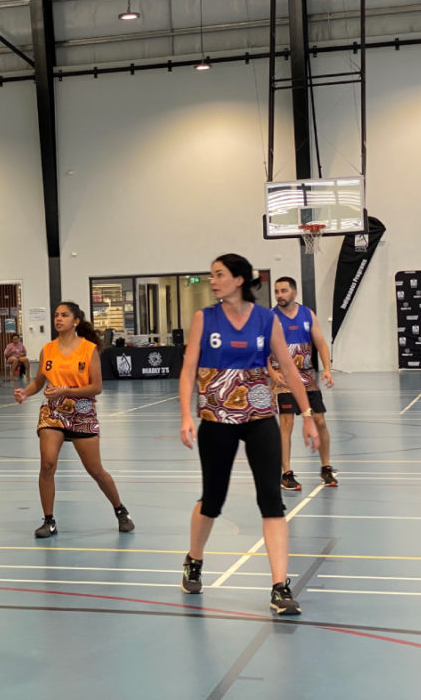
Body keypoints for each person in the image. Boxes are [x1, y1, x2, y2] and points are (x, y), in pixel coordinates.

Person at [177, 254, 319, 616]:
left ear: (239, 279)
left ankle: (279, 586)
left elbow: (287, 365)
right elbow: (189, 367)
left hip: (259, 416)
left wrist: (307, 415)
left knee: (271, 499)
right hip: (216, 418)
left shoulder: (265, 318)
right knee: (213, 500)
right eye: (212, 275)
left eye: (219, 274)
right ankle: (194, 558)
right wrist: (184, 416)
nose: (213, 280)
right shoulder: (203, 318)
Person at [14, 302, 135, 538]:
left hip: (82, 410)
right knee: (48, 465)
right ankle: (49, 521)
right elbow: (40, 381)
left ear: (76, 321)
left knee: (95, 470)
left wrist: (65, 390)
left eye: (64, 315)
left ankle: (121, 510)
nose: (58, 319)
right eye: (56, 315)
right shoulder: (47, 349)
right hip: (53, 411)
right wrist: (26, 392)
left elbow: (96, 387)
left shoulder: (88, 349)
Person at [268, 277, 337, 491]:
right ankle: (286, 473)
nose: (279, 295)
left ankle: (326, 467)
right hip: (283, 378)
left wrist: (326, 368)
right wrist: (271, 372)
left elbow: (321, 343)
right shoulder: (270, 317)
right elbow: (260, 350)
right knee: (286, 423)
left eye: (283, 291)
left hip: (307, 378)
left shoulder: (308, 314)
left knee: (320, 421)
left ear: (294, 293)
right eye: (276, 291)